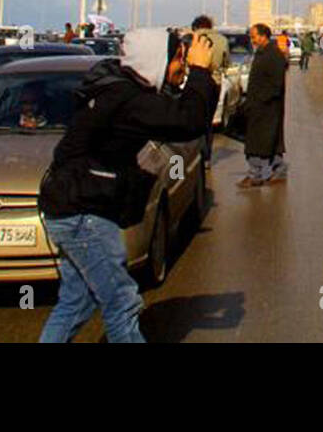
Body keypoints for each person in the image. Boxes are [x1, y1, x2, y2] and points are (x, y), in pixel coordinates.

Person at [37, 27, 215, 343]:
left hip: (70, 206)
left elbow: (192, 116)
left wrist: (202, 74)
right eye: (178, 59)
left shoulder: (121, 89)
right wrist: (201, 71)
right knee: (122, 303)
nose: (182, 66)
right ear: (157, 61)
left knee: (77, 302)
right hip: (82, 214)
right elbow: (187, 122)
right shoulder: (128, 99)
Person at [238, 23, 288, 188]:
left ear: (263, 36)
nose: (252, 40)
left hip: (266, 108)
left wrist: (260, 100)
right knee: (266, 142)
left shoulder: (273, 55)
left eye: (254, 37)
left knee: (259, 143)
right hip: (258, 106)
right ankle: (275, 170)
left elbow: (276, 85)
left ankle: (255, 175)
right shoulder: (262, 53)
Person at [191, 15, 229, 169]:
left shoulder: (194, 38)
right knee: (208, 121)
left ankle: (183, 167)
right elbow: (226, 63)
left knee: (193, 119)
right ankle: (206, 158)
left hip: (195, 81)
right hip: (215, 83)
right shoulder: (222, 40)